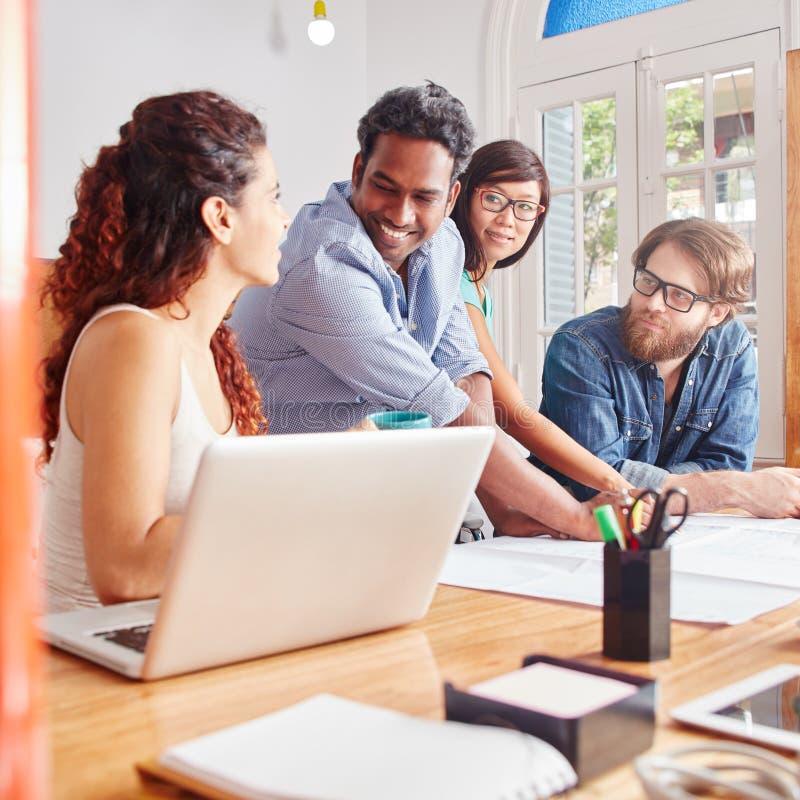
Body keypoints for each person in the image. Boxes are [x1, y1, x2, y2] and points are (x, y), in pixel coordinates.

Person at [231, 82, 614, 540]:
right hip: (282, 511)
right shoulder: (323, 270)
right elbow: (443, 408)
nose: (400, 214)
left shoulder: (444, 243)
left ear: (451, 198)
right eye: (385, 187)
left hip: (381, 505)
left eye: (425, 197)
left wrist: (503, 510)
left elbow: (466, 373)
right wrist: (576, 518)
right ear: (359, 170)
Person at [40, 91, 290, 611]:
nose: (284, 219)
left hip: (181, 634)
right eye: (272, 197)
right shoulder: (133, 340)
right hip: (90, 671)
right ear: (221, 217)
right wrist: (302, 511)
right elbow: (125, 570)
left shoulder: (210, 347)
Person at [538, 217, 800, 517]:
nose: (653, 303)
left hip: (682, 532)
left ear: (716, 313)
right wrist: (726, 489)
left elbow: (728, 463)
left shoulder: (732, 346)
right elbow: (601, 485)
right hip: (562, 539)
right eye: (649, 282)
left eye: (680, 295)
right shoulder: (581, 346)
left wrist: (658, 485)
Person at [451, 140, 631, 494]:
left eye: (524, 207)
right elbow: (508, 409)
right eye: (493, 199)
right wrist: (615, 482)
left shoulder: (479, 288)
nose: (507, 219)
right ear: (465, 194)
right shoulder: (453, 280)